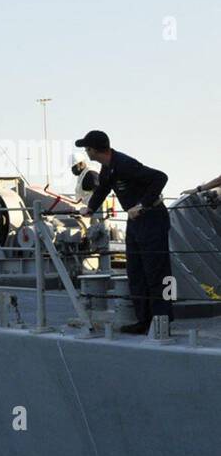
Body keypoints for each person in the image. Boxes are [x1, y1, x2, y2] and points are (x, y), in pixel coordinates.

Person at [76, 130, 171, 335]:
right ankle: (144, 321)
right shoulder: (107, 168)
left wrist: (142, 205)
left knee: (158, 272)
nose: (86, 151)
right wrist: (90, 208)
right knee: (136, 272)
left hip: (152, 218)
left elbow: (160, 177)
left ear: (95, 149)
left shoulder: (125, 164)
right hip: (135, 222)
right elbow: (102, 190)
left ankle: (163, 321)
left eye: (87, 147)